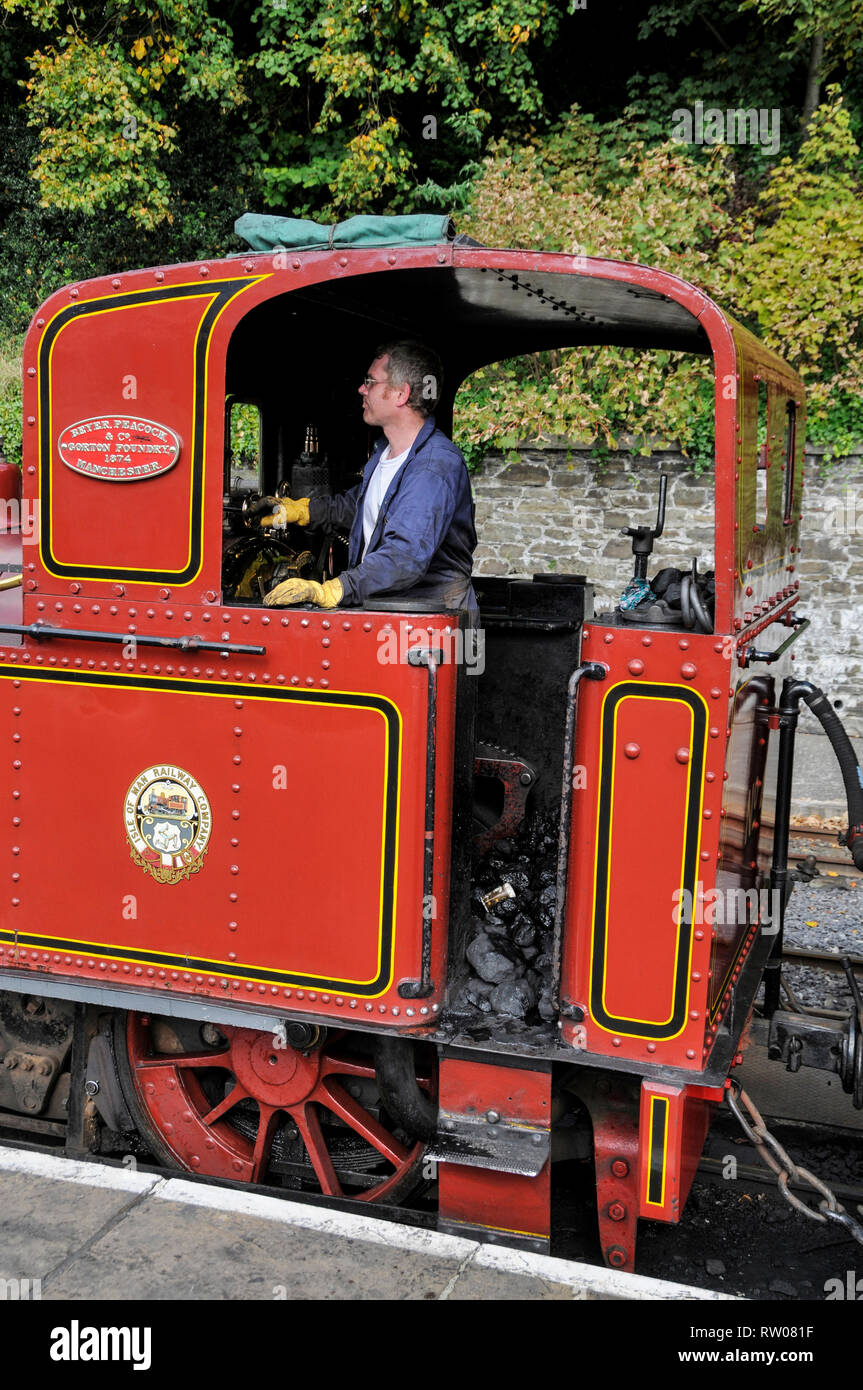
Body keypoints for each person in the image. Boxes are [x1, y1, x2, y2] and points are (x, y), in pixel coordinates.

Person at [261, 341, 477, 610]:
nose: (361, 389)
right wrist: (302, 511)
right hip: (399, 612)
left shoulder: (433, 467)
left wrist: (335, 589)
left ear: (400, 394)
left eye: (370, 381)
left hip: (433, 622)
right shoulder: (387, 453)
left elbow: (404, 557)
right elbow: (364, 508)